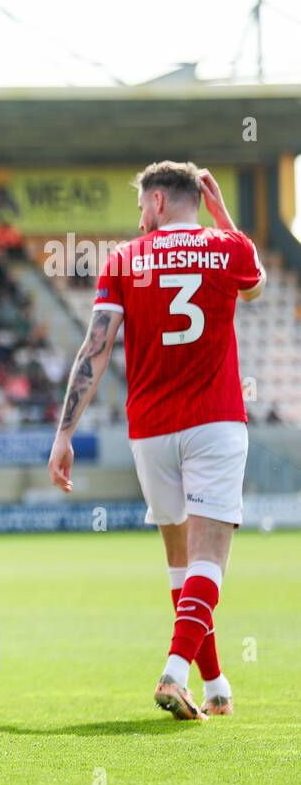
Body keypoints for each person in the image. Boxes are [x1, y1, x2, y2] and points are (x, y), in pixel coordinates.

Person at [49, 162, 265, 720]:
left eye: (142, 205)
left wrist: (64, 433)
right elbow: (256, 286)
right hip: (215, 421)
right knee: (209, 558)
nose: (139, 216)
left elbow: (95, 350)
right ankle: (175, 671)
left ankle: (213, 680)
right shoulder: (227, 249)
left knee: (180, 562)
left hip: (150, 429)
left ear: (161, 202)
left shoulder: (124, 259)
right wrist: (223, 216)